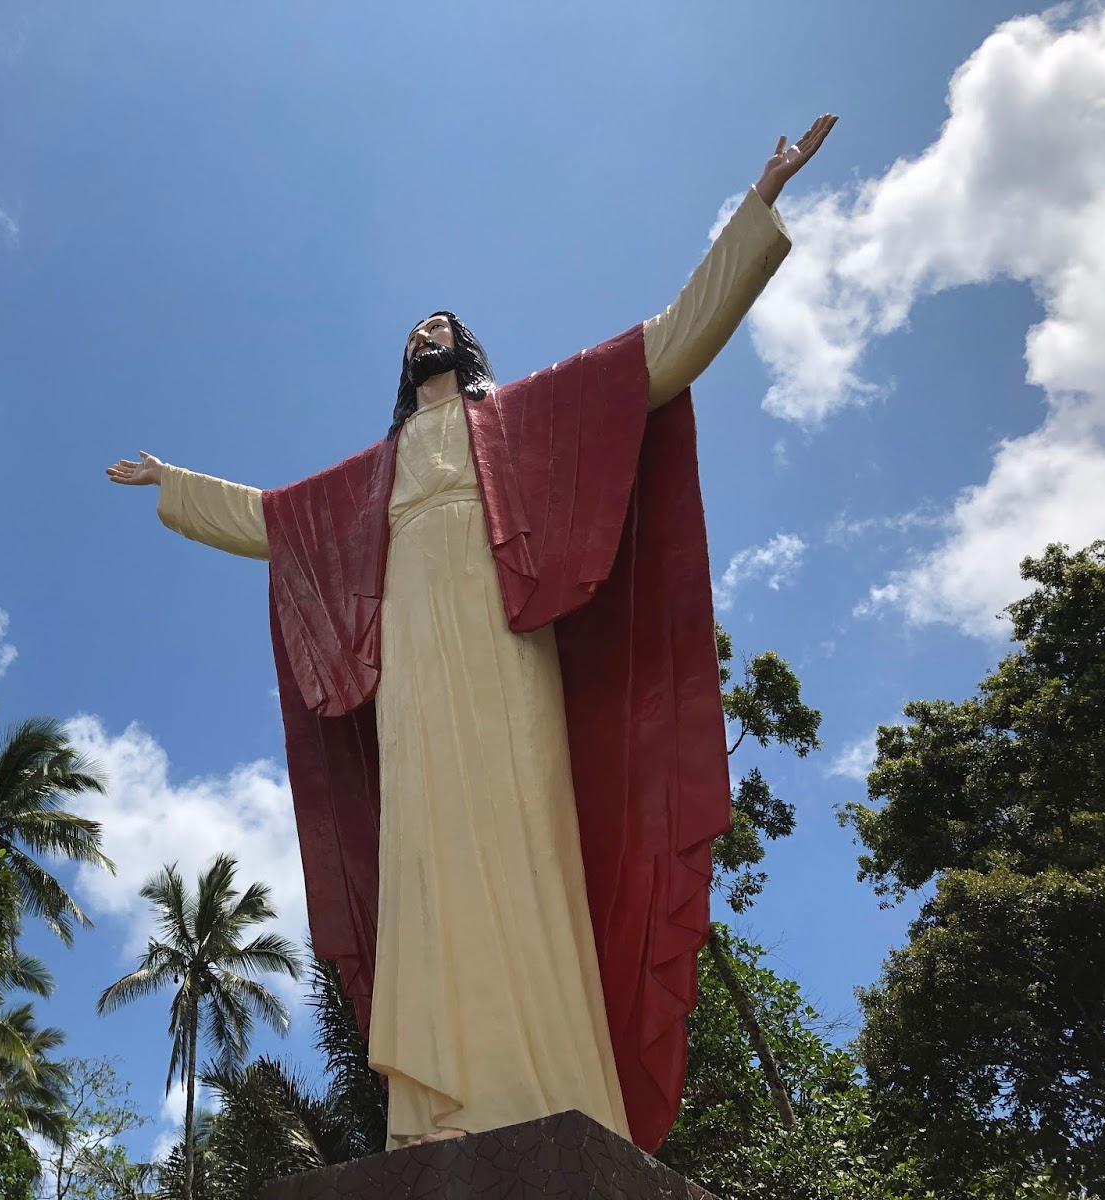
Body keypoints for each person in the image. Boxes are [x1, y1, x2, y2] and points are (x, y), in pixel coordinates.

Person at [107, 115, 837, 1153]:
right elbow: (276, 522)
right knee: (427, 852)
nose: (424, 334)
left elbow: (667, 348)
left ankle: (552, 1080)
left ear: (468, 348)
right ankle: (440, 1103)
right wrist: (173, 484)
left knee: (521, 827)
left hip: (505, 648)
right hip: (411, 662)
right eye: (411, 331)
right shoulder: (369, 479)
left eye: (440, 324)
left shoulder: (531, 421)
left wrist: (757, 206)